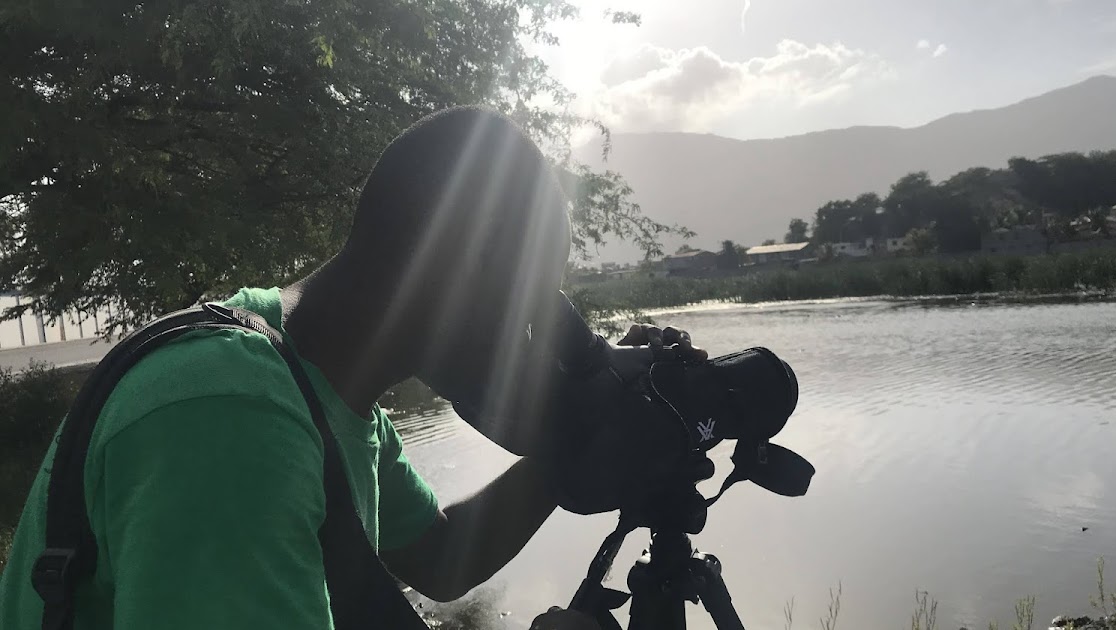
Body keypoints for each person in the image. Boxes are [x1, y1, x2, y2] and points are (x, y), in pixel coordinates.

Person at [0, 107, 703, 630]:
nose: (539, 344)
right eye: (532, 309)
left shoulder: (317, 380)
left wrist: (574, 456)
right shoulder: (231, 415)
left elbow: (437, 557)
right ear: (462, 261)